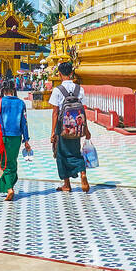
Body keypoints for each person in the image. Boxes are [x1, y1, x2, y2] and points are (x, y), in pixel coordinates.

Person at [0, 80, 32, 201]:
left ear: (3, 90)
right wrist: (26, 140)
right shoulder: (21, 103)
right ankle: (9, 186)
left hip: (3, 137)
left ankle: (9, 188)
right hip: (16, 137)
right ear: (14, 90)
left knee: (4, 163)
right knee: (12, 161)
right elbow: (24, 123)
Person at [49, 61, 91, 193]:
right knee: (76, 152)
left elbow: (55, 112)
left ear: (60, 74)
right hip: (77, 126)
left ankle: (66, 184)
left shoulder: (57, 90)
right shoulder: (80, 89)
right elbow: (83, 111)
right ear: (72, 73)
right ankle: (83, 174)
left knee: (61, 154)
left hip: (63, 127)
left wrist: (53, 132)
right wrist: (86, 129)